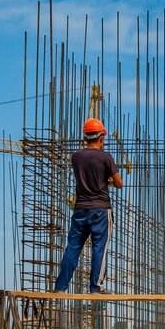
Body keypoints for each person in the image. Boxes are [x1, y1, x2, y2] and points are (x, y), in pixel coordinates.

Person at [53, 118, 123, 294]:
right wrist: (107, 179)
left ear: (85, 138)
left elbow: (86, 175)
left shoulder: (76, 157)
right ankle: (95, 287)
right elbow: (119, 183)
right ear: (101, 138)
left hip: (80, 209)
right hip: (100, 209)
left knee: (73, 247)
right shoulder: (106, 157)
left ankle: (60, 287)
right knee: (99, 248)